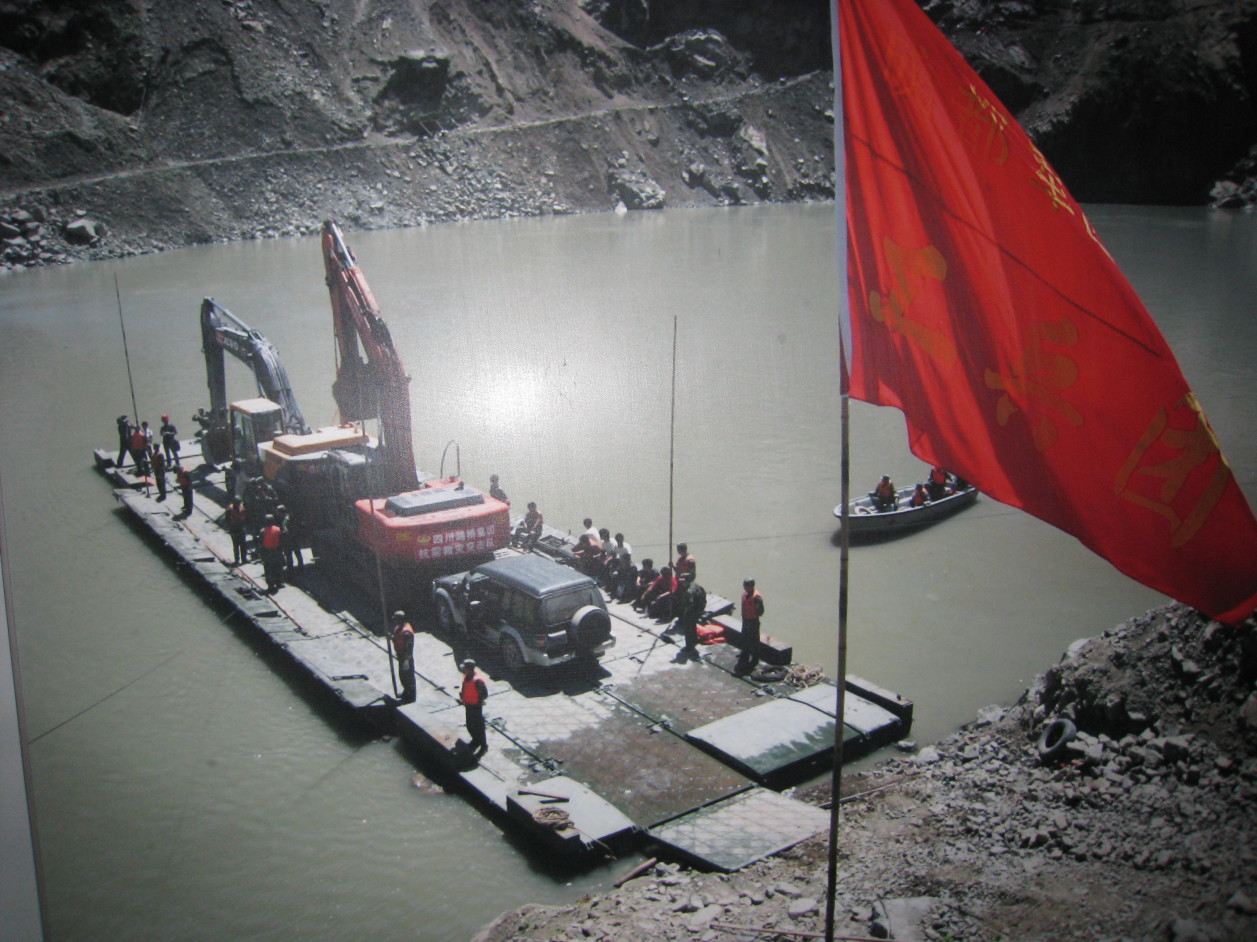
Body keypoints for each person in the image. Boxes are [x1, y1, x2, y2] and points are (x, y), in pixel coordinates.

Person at [459, 658, 489, 756]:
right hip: (468, 705)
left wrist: (478, 701)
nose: (463, 670)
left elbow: (484, 694)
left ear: (469, 669)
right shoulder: (466, 678)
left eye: (465, 668)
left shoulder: (477, 681)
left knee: (479, 726)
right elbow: (465, 688)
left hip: (476, 707)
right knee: (470, 725)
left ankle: (483, 745)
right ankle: (475, 740)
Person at [735, 578, 765, 675]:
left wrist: (753, 615)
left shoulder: (756, 598)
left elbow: (761, 612)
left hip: (753, 621)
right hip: (746, 620)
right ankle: (745, 654)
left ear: (751, 586)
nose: (745, 587)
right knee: (744, 637)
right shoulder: (745, 595)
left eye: (746, 586)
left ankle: (755, 658)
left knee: (754, 639)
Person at [674, 572, 706, 661]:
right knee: (693, 627)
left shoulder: (689, 592)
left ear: (687, 581)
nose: (682, 583)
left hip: (691, 612)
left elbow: (689, 605)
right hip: (698, 609)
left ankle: (689, 646)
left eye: (683, 582)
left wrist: (685, 613)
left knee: (688, 628)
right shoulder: (695, 585)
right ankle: (694, 641)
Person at [392, 611, 416, 704]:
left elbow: (409, 648)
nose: (395, 621)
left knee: (408, 678)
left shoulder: (407, 633)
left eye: (396, 619)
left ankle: (411, 697)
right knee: (403, 676)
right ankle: (406, 692)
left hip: (406, 658)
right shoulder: (399, 628)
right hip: (401, 656)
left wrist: (406, 660)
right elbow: (398, 638)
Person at [260, 514, 284, 592]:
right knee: (277, 567)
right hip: (276, 551)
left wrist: (262, 554)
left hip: (267, 552)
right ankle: (279, 583)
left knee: (268, 569)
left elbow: (261, 543)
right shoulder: (277, 529)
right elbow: (281, 540)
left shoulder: (263, 531)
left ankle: (271, 585)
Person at [277, 504, 304, 574]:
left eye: (278, 512)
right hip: (295, 538)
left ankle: (291, 570)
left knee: (289, 555)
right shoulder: (289, 516)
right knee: (297, 552)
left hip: (288, 540)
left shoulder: (285, 520)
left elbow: (285, 531)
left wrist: (281, 534)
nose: (277, 514)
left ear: (280, 512)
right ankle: (301, 567)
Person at [227, 498, 248, 565]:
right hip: (234, 528)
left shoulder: (242, 507)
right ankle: (237, 560)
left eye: (239, 503)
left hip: (241, 528)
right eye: (237, 503)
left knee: (243, 544)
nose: (238, 505)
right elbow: (227, 519)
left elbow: (246, 517)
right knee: (236, 545)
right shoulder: (230, 509)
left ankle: (244, 559)